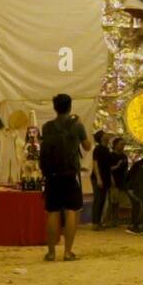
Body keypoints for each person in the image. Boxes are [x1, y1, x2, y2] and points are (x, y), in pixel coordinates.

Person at [38, 94, 92, 260]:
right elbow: (87, 146)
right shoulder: (77, 126)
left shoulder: (47, 127)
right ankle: (68, 252)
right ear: (70, 107)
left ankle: (51, 252)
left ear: (55, 108)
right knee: (71, 211)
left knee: (53, 212)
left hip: (52, 174)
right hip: (69, 173)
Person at [90, 130, 112, 231]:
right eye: (105, 134)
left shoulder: (107, 149)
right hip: (98, 178)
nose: (108, 135)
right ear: (101, 137)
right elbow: (95, 164)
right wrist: (98, 178)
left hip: (106, 177)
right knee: (98, 200)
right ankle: (95, 223)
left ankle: (99, 222)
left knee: (103, 200)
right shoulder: (98, 149)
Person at [107, 136, 130, 226]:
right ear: (115, 145)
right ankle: (111, 219)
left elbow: (125, 169)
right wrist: (116, 166)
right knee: (113, 202)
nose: (123, 146)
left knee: (121, 202)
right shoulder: (111, 156)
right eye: (121, 144)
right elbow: (108, 169)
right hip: (114, 181)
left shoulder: (124, 156)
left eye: (124, 144)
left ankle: (117, 219)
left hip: (122, 182)